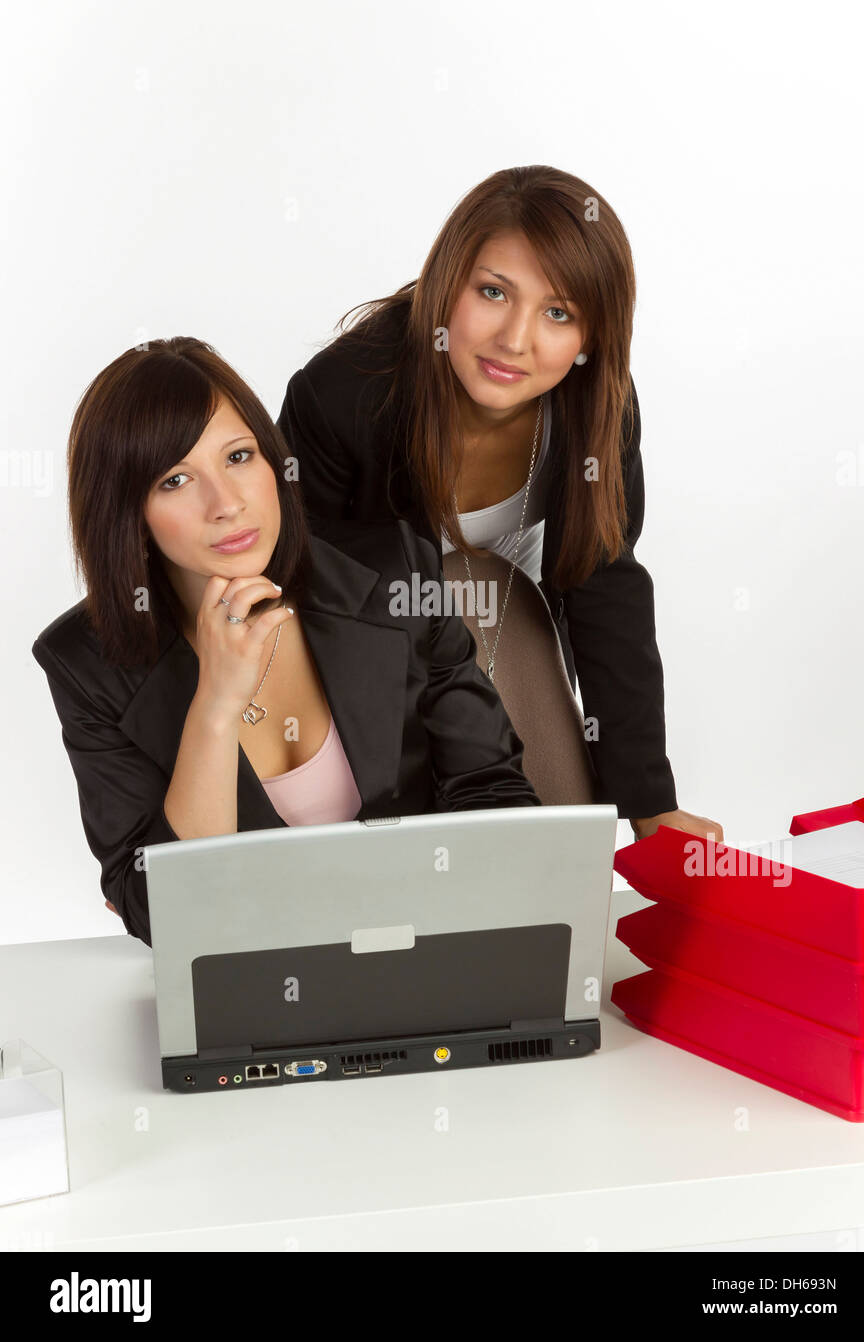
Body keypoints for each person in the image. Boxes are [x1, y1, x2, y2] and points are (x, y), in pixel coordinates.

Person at [31, 338, 541, 947]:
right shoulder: (87, 665)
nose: (226, 504)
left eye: (240, 456)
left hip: (428, 947)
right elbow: (168, 917)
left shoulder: (394, 573)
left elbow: (492, 790)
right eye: (175, 480)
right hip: (251, 986)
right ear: (127, 512)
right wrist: (216, 707)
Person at [277, 164, 723, 844]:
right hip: (360, 650)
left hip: (505, 633)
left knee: (563, 855)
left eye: (557, 313)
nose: (515, 340)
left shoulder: (595, 409)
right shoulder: (343, 394)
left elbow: (605, 590)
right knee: (462, 582)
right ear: (444, 283)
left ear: (590, 339)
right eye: (492, 292)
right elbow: (309, 595)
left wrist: (646, 803)